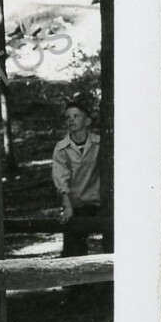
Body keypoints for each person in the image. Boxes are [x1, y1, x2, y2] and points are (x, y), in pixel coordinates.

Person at [51, 93, 102, 257]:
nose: (71, 120)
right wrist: (67, 206)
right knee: (73, 243)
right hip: (74, 203)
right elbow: (61, 179)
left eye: (76, 116)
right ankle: (74, 270)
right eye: (68, 117)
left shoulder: (100, 143)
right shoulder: (61, 148)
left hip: (97, 201)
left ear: (87, 121)